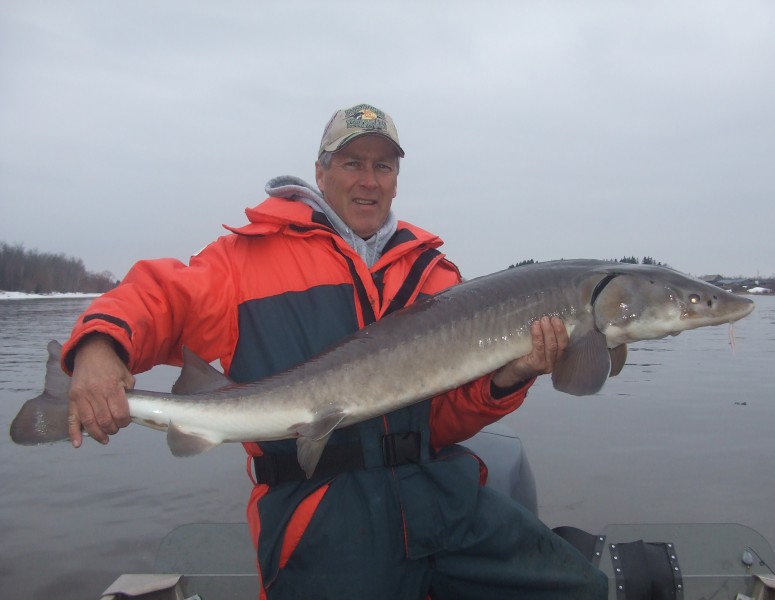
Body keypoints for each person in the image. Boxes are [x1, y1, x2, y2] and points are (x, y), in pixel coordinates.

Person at [63, 103, 607, 599]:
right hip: (320, 513)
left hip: (436, 496)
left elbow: (442, 422)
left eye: (383, 166)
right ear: (320, 173)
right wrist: (99, 347)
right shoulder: (245, 260)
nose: (369, 180)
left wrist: (509, 378)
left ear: (396, 180)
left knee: (579, 588)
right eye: (352, 163)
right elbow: (158, 298)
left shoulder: (435, 277)